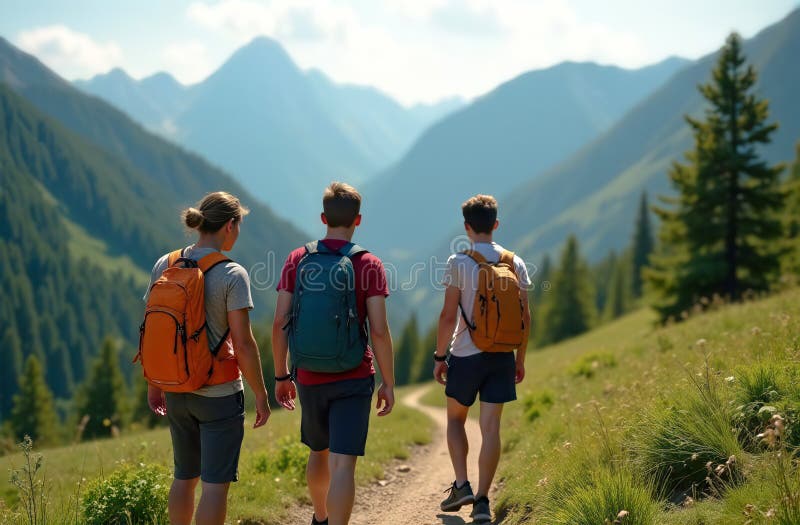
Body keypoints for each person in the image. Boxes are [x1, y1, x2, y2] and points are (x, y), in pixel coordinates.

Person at [143, 192, 270, 525]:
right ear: (230, 226)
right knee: (215, 487)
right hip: (218, 394)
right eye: (239, 226)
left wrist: (154, 382)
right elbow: (243, 344)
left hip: (175, 390)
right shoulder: (232, 274)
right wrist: (261, 394)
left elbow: (153, 330)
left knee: (184, 477)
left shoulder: (165, 263)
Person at [272, 182, 395, 525]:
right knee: (343, 464)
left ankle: (320, 518)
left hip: (309, 374)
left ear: (323, 218)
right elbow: (380, 330)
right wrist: (388, 382)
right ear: (359, 220)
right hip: (354, 374)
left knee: (318, 451)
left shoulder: (298, 258)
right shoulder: (368, 263)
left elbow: (280, 320)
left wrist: (282, 375)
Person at [433, 194, 531, 523]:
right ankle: (484, 502)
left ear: (466, 227)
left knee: (456, 420)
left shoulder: (458, 262)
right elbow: (525, 317)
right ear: (496, 225)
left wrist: (439, 355)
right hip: (503, 355)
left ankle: (462, 485)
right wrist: (520, 358)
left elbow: (448, 316)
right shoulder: (514, 262)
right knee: (491, 429)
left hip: (466, 354)